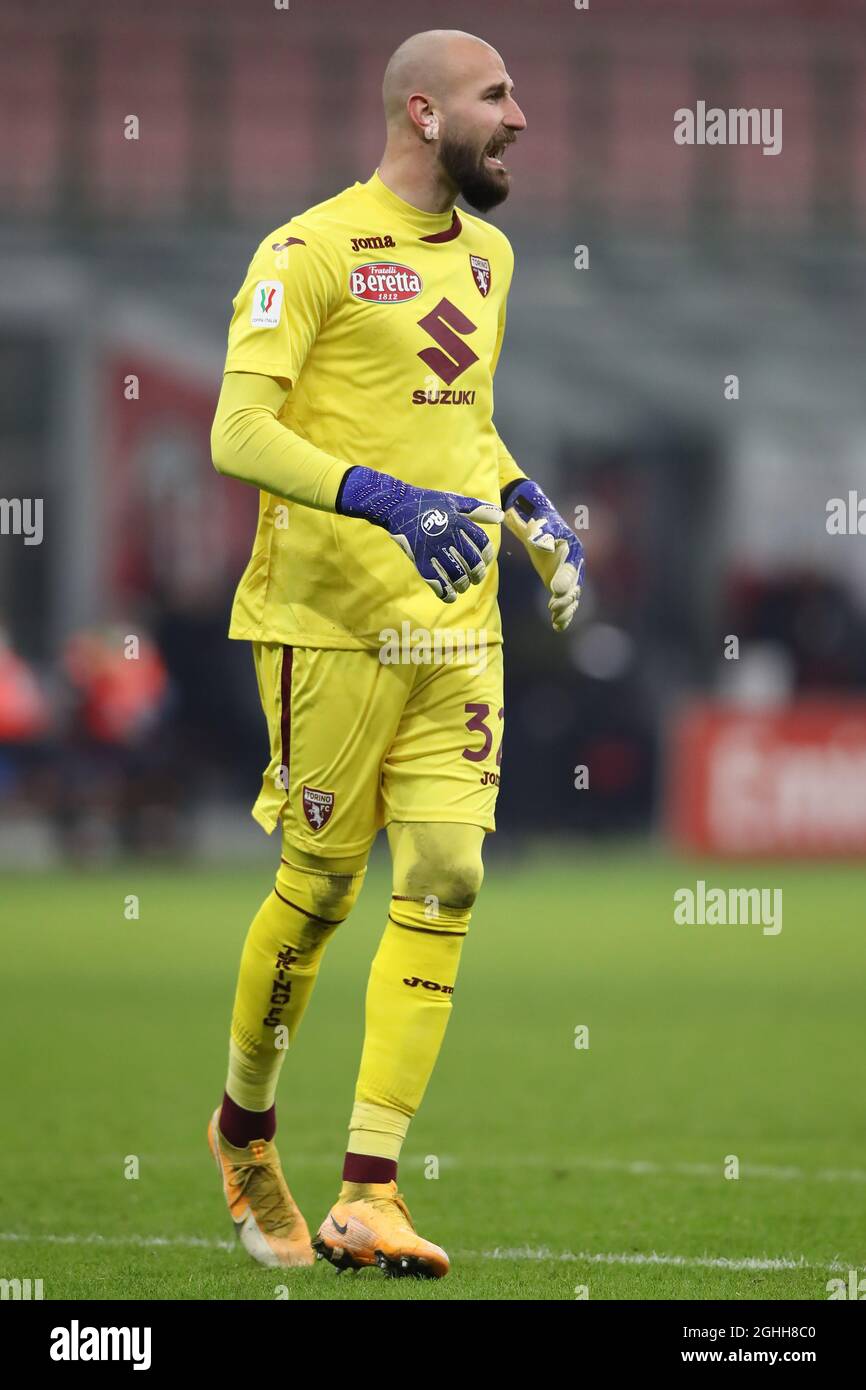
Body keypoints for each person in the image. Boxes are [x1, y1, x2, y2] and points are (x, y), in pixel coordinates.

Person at [208, 27, 584, 1279]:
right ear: (422, 114)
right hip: (328, 630)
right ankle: (245, 1130)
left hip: (455, 629)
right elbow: (237, 433)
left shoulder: (490, 258)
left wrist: (525, 506)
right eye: (496, 96)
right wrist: (383, 501)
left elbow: (464, 424)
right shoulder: (305, 250)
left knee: (446, 876)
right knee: (316, 894)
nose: (519, 117)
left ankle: (369, 1186)